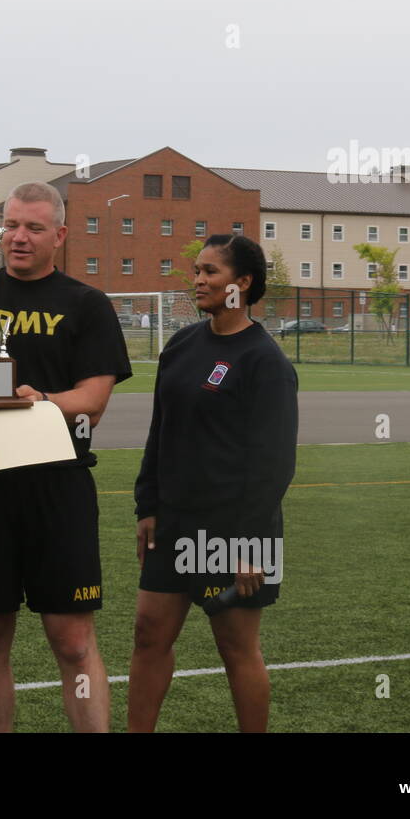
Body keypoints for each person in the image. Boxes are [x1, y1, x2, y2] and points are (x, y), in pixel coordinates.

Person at [0, 181, 132, 733]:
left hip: (56, 485)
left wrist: (41, 401)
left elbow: (93, 402)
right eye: (12, 226)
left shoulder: (86, 305)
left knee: (72, 642)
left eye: (34, 228)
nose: (19, 238)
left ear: (60, 235)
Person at [127, 234, 298, 733]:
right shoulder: (181, 345)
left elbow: (274, 465)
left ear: (242, 283)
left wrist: (250, 545)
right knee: (148, 634)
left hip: (233, 530)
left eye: (211, 272)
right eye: (197, 271)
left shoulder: (265, 363)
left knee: (236, 649)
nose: (198, 280)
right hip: (174, 522)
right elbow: (161, 430)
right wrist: (147, 506)